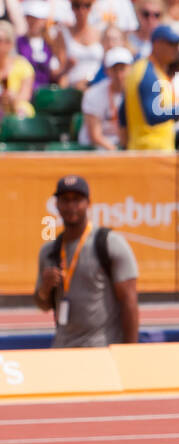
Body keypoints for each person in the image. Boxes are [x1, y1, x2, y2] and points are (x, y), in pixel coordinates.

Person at [34, 175, 140, 348]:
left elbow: (129, 302)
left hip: (101, 349)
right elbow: (42, 304)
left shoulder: (110, 243)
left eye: (77, 200)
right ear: (56, 204)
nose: (71, 206)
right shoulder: (49, 251)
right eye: (65, 200)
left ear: (88, 203)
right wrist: (45, 289)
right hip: (62, 349)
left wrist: (129, 354)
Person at [80, 47, 131, 150]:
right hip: (95, 148)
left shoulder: (135, 92)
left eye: (122, 69)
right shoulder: (93, 94)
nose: (119, 75)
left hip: (121, 144)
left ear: (130, 68)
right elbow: (95, 136)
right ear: (107, 71)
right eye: (114, 70)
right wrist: (116, 152)